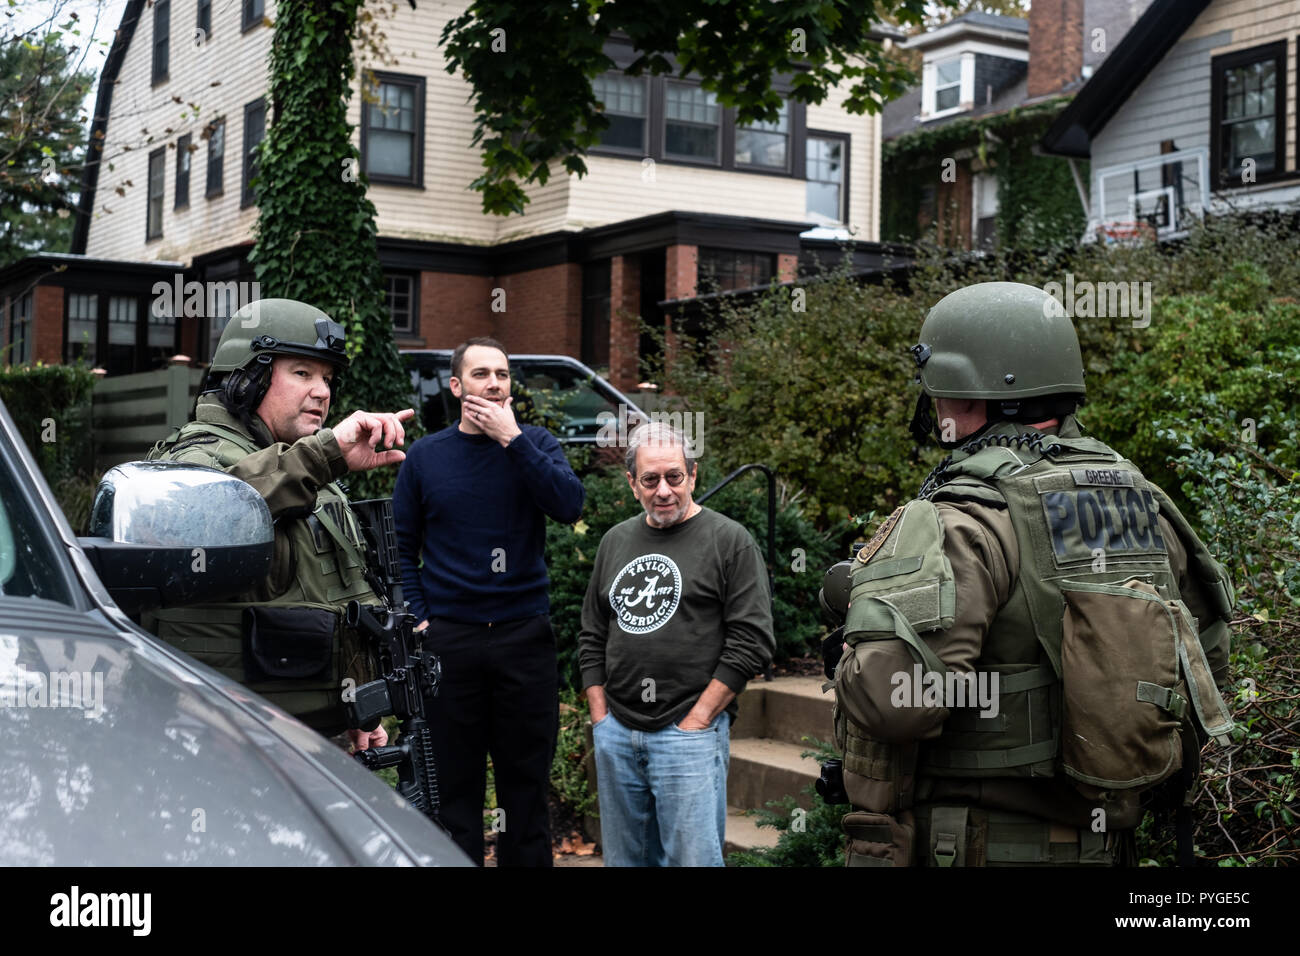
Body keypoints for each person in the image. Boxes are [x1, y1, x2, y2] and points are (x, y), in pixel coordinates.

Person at [822, 281, 1235, 867]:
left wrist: (857, 625)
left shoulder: (961, 519)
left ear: (969, 392)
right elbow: (1209, 662)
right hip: (1103, 843)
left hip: (974, 843)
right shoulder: (1141, 501)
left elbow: (896, 703)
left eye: (937, 387)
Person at [144, 298, 414, 752]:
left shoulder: (310, 468)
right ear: (248, 377)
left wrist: (354, 707)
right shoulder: (197, 460)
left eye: (327, 378)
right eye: (303, 373)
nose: (323, 391)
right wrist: (323, 455)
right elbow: (209, 515)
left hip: (315, 739)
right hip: (224, 744)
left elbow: (327, 602)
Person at [392, 337, 584, 867]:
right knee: (456, 793)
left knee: (527, 792)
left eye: (501, 374)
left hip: (524, 638)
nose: (494, 383)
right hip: (451, 642)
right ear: (457, 387)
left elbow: (568, 504)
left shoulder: (537, 443)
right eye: (480, 374)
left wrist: (513, 440)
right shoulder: (427, 457)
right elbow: (400, 547)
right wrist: (422, 618)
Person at [579, 421, 775, 866]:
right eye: (650, 479)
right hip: (618, 732)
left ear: (693, 474)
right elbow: (592, 631)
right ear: (632, 483)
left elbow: (753, 640)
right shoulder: (616, 541)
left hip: (687, 735)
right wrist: (600, 717)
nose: (663, 490)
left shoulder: (730, 541)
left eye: (674, 476)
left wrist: (700, 718)